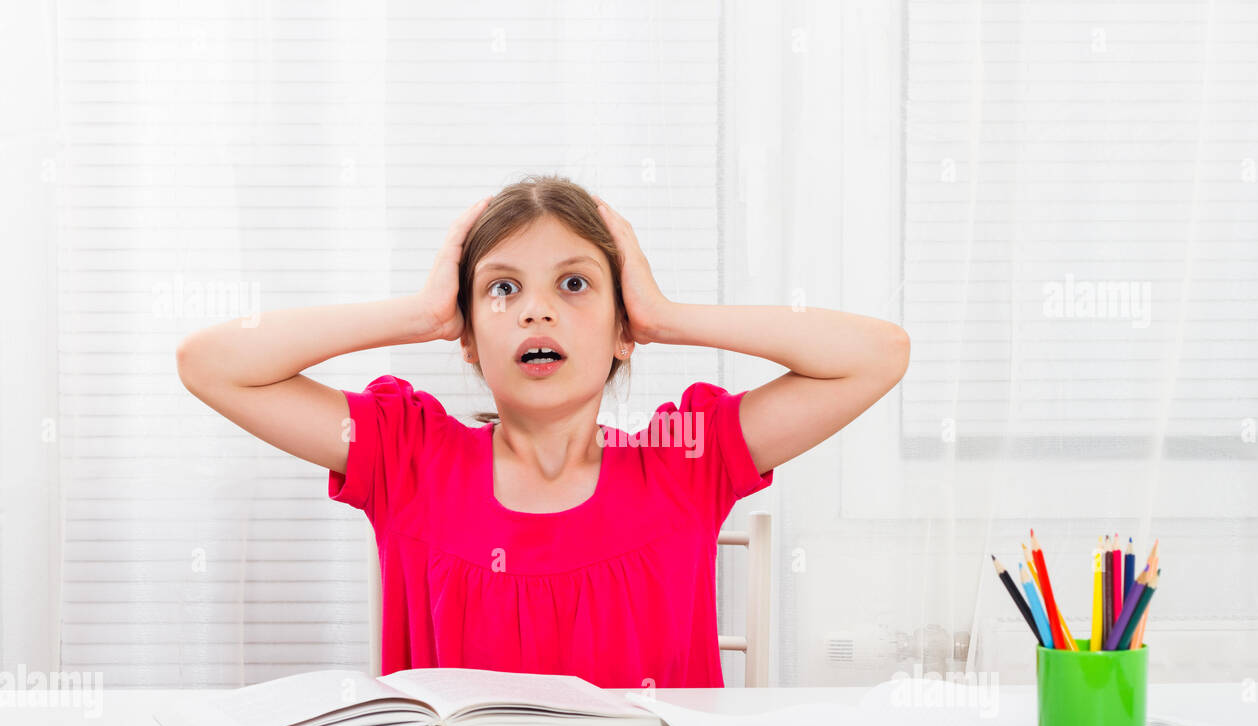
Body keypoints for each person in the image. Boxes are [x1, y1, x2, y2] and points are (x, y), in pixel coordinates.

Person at [175, 175, 910, 687]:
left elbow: (879, 356)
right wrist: (421, 314)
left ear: (623, 328)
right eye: (501, 288)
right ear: (466, 334)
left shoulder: (684, 458)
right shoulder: (409, 457)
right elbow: (210, 364)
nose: (535, 312)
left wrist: (664, 316)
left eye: (575, 284)